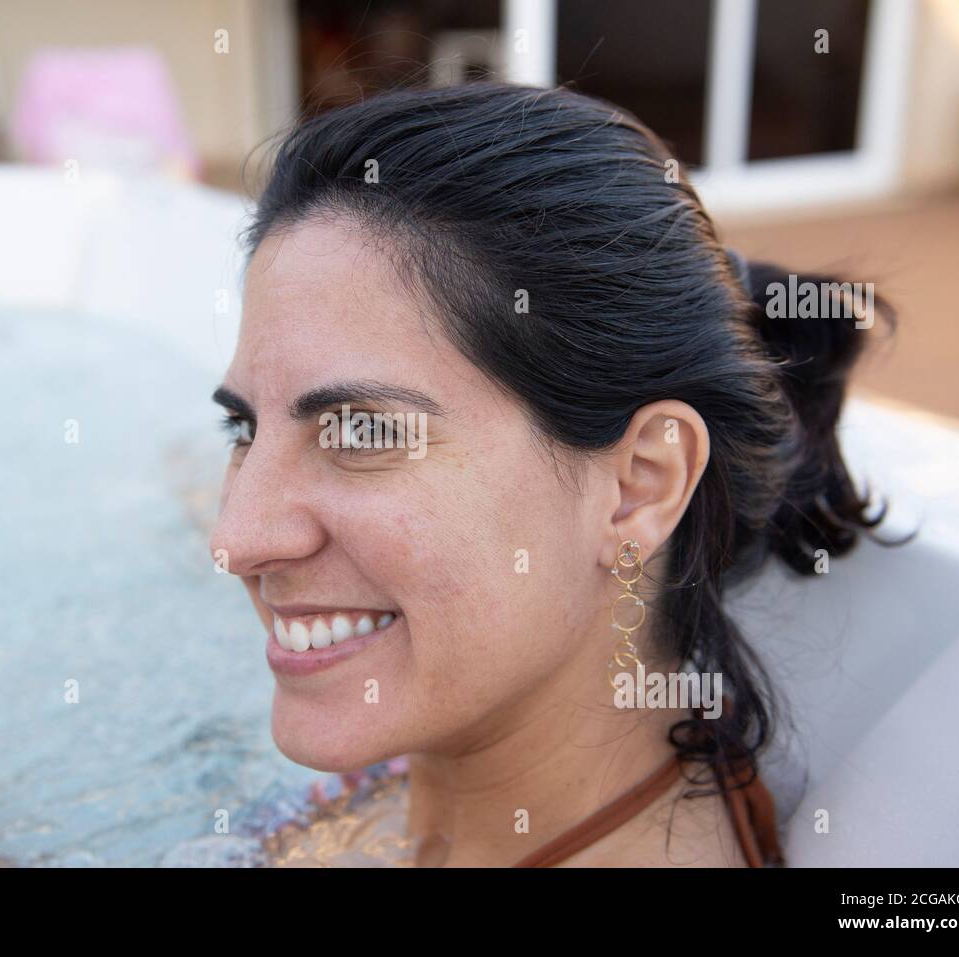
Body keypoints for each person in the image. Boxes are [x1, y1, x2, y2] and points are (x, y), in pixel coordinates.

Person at [208, 81, 895, 867]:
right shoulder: (441, 759)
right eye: (244, 427)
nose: (236, 539)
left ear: (641, 484)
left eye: (361, 431)